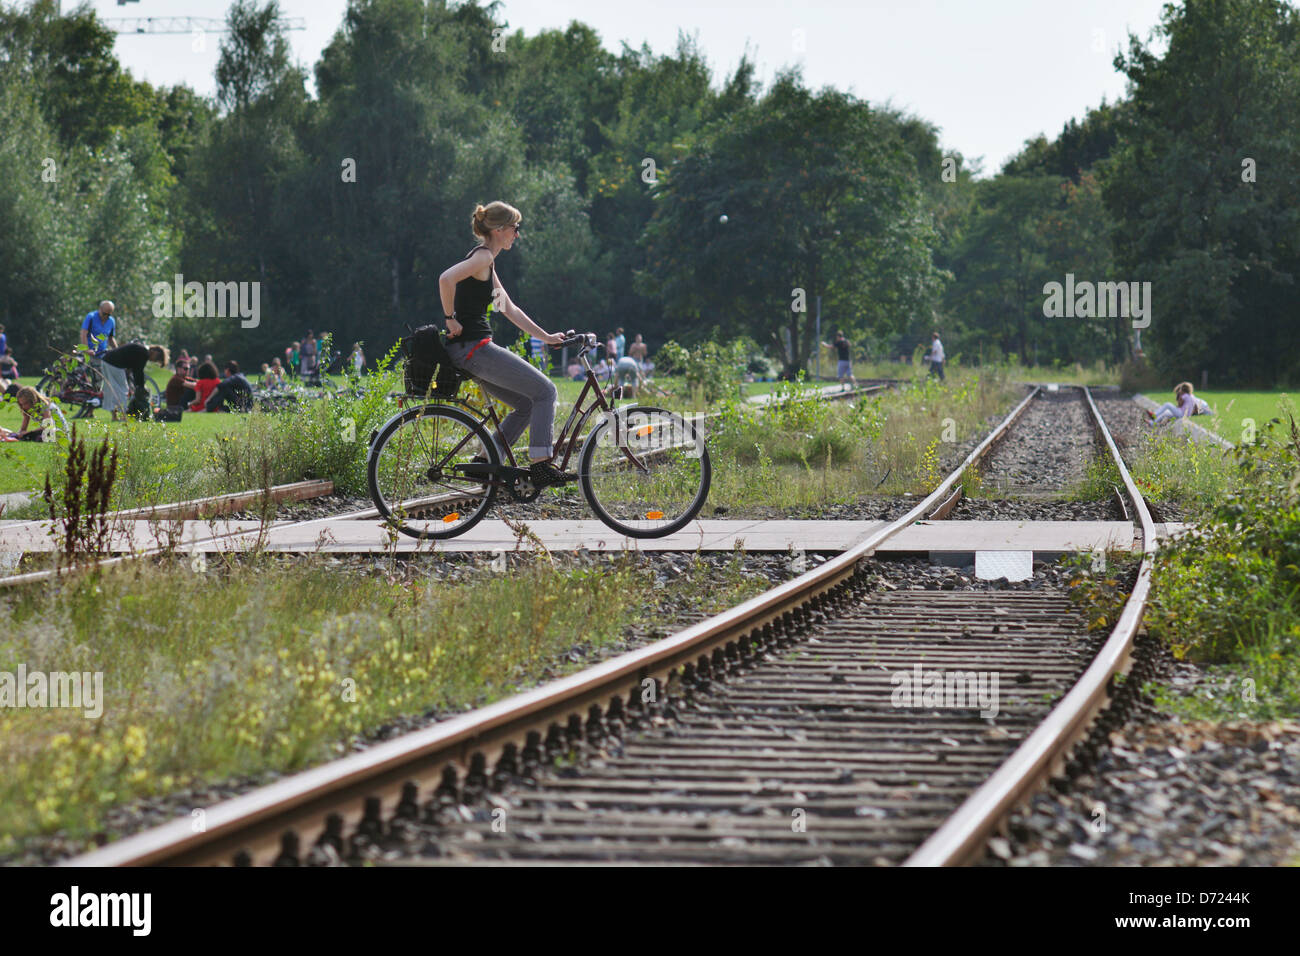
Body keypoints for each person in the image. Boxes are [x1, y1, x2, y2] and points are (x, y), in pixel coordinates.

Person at [439, 200, 572, 487]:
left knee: (526, 404)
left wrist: (546, 337)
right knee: (546, 392)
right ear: (499, 230)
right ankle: (540, 465)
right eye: (515, 228)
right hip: (474, 349)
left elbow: (508, 308)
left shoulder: (487, 262)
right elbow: (445, 278)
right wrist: (450, 318)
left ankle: (485, 461)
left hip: (471, 351)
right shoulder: (483, 258)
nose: (517, 234)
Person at [80, 300, 127, 420]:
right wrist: (86, 349)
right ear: (99, 310)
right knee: (98, 384)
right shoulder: (90, 317)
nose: (106, 316)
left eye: (109, 314)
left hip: (102, 355)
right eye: (104, 313)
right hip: (90, 354)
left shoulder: (111, 321)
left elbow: (111, 338)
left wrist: (117, 352)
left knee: (104, 383)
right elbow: (83, 333)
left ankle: (107, 414)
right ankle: (95, 412)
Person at [102, 343, 169, 419]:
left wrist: (139, 384)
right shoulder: (143, 353)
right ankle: (122, 416)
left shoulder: (141, 349)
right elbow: (138, 371)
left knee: (112, 390)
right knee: (122, 391)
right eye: (156, 359)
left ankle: (115, 416)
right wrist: (140, 386)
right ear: (155, 352)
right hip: (114, 364)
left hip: (106, 360)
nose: (154, 361)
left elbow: (135, 368)